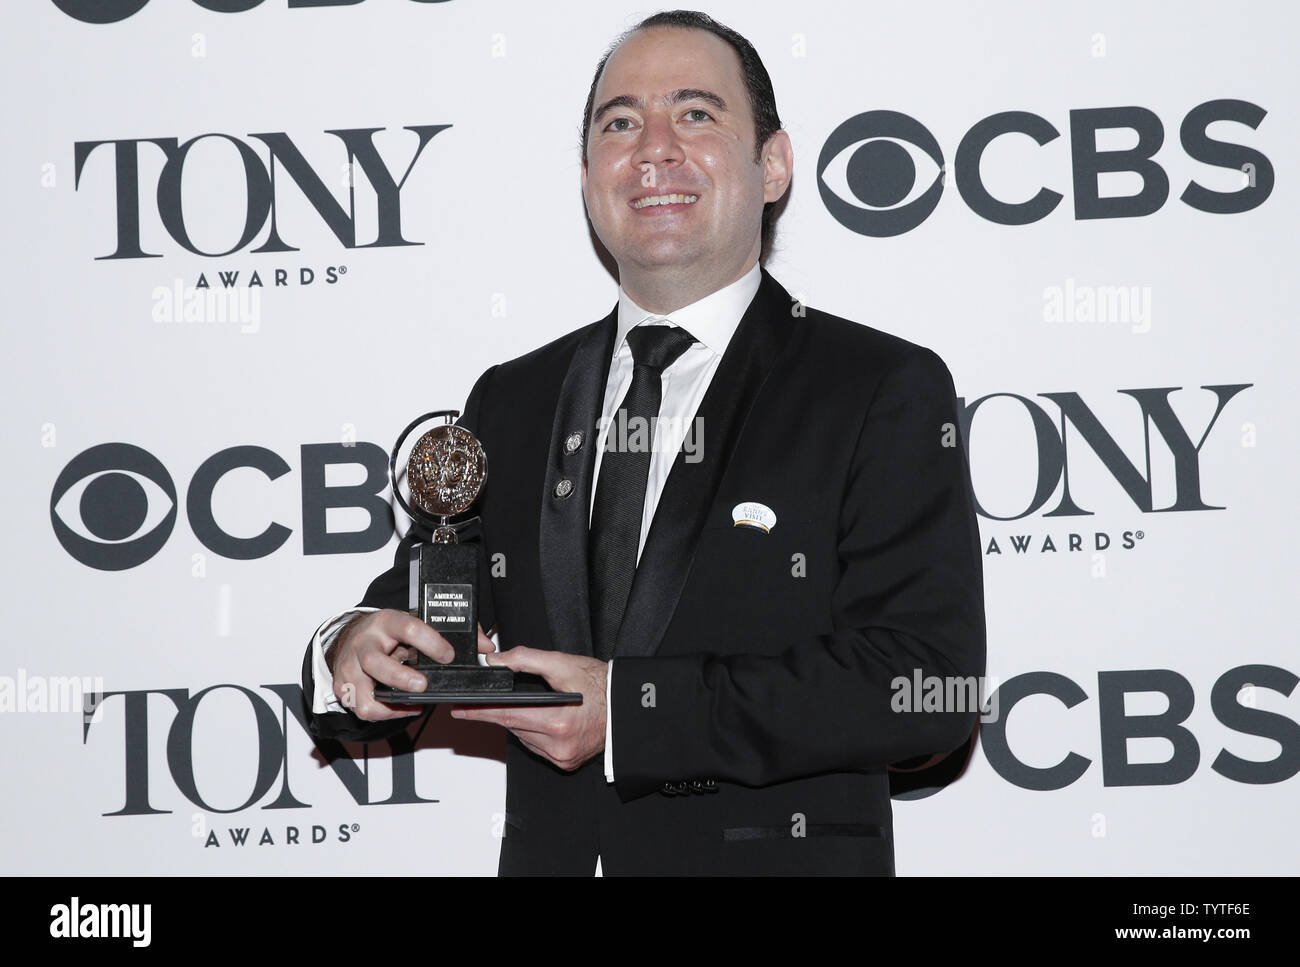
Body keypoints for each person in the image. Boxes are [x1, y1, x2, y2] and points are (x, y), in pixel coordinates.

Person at [300, 9, 985, 875]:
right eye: (619, 122)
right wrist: (353, 644)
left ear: (772, 164)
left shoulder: (879, 387)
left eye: (696, 113)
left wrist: (628, 714)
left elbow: (923, 688)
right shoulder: (512, 400)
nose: (653, 148)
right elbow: (423, 610)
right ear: (589, 177)